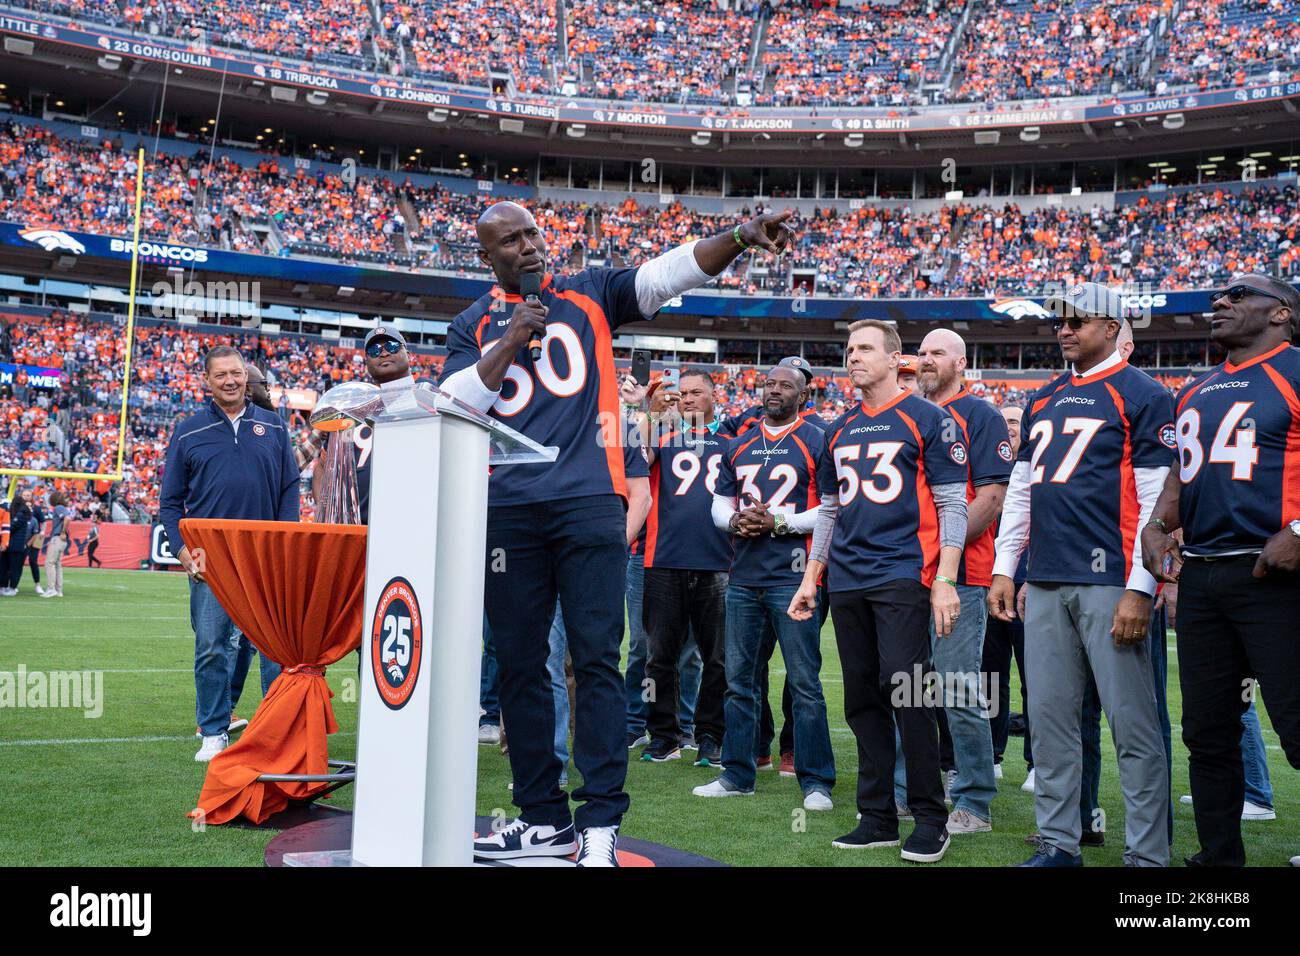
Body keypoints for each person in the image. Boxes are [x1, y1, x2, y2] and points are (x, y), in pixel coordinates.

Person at [442, 200, 794, 866]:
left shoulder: (591, 290)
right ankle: (543, 817)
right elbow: (457, 402)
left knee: (597, 660)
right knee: (520, 666)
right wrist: (513, 337)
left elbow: (670, 273)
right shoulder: (472, 324)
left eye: (533, 234)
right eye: (510, 242)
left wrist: (741, 237)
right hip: (508, 509)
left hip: (587, 501)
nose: (529, 247)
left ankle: (601, 821)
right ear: (487, 258)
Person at [991, 282, 1175, 868]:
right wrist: (1004, 566)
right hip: (1044, 579)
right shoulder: (1044, 398)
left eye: (1078, 321)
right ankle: (1058, 844)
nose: (1065, 330)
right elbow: (1020, 493)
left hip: (1112, 582)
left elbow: (1157, 505)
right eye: (1059, 322)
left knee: (1134, 726)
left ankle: (1147, 855)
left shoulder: (1142, 394)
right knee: (1048, 723)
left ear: (1114, 327)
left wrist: (1142, 588)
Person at [789, 319, 969, 863]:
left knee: (909, 692)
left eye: (865, 348)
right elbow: (830, 510)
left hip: (902, 575)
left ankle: (930, 815)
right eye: (848, 349)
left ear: (896, 359)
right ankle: (877, 816)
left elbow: (953, 505)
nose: (853, 357)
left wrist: (944, 578)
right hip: (847, 579)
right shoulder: (838, 431)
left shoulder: (929, 419)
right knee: (863, 698)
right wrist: (809, 578)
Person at [1141, 273, 1300, 867]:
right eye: (1219, 295)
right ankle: (1218, 862)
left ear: (1280, 313)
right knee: (1206, 733)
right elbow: (1183, 477)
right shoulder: (1196, 390)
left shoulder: (1295, 369)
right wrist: (1156, 528)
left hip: (1277, 577)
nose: (1220, 302)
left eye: (1238, 294)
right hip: (1203, 578)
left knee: (1296, 723)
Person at [694, 363, 835, 808]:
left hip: (795, 579)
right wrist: (736, 520)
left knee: (805, 683)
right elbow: (718, 506)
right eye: (770, 384)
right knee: (739, 681)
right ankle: (738, 773)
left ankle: (815, 781)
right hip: (744, 577)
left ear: (803, 393)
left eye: (785, 386)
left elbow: (833, 508)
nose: (775, 391)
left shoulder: (818, 439)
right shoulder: (739, 445)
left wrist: (779, 522)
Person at [894, 328, 1011, 835]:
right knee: (906, 686)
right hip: (903, 574)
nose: (925, 361)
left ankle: (974, 799)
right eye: (921, 353)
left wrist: (946, 559)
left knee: (959, 687)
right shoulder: (907, 414)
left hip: (959, 574)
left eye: (936, 353)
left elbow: (990, 497)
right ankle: (909, 789)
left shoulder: (980, 415)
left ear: (961, 362)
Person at [159, 344, 300, 762]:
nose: (231, 380)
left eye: (236, 373)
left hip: (264, 558)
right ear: (207, 381)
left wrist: (284, 538)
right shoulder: (188, 431)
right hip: (211, 560)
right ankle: (215, 731)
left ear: (245, 375)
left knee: (275, 649)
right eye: (221, 374)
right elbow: (170, 502)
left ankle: (275, 730)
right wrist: (184, 552)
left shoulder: (274, 427)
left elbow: (290, 486)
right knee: (211, 646)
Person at [640, 368, 731, 769]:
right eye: (684, 393)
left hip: (719, 561)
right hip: (665, 559)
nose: (689, 398)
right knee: (659, 655)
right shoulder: (661, 439)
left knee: (719, 658)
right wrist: (650, 412)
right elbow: (631, 459)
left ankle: (710, 736)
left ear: (714, 397)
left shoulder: (732, 443)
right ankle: (664, 736)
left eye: (698, 392)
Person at [623, 375, 705, 751]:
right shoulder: (656, 436)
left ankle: (684, 725)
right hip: (648, 554)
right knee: (643, 645)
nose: (680, 403)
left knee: (689, 650)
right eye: (675, 398)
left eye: (689, 396)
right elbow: (631, 451)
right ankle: (635, 721)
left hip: (696, 555)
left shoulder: (713, 437)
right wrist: (650, 414)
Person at [981, 405, 1030, 779]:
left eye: (1014, 421)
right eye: (1002, 422)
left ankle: (1037, 761)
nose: (1007, 428)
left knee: (1036, 676)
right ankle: (993, 755)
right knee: (990, 675)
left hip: (1031, 581)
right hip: (988, 583)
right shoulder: (983, 468)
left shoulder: (1036, 468)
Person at [1, 495, 34, 595]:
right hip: (13, 546)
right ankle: (5, 586)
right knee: (6, 567)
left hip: (15, 546)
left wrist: (3, 525)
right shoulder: (21, 513)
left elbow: (11, 527)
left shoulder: (21, 514)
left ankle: (12, 588)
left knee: (13, 568)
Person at [42, 491, 71, 598]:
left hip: (58, 537)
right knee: (57, 564)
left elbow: (67, 518)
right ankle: (58, 590)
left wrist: (63, 532)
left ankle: (51, 589)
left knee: (50, 563)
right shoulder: (62, 507)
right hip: (62, 539)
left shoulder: (58, 507)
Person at [22, 491, 47, 596]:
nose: (26, 497)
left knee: (33, 561)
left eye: (28, 495)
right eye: (24, 495)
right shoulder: (19, 507)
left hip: (36, 536)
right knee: (18, 561)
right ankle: (12, 585)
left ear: (32, 497)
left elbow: (44, 521)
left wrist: (42, 531)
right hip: (22, 537)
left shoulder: (36, 508)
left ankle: (37, 584)